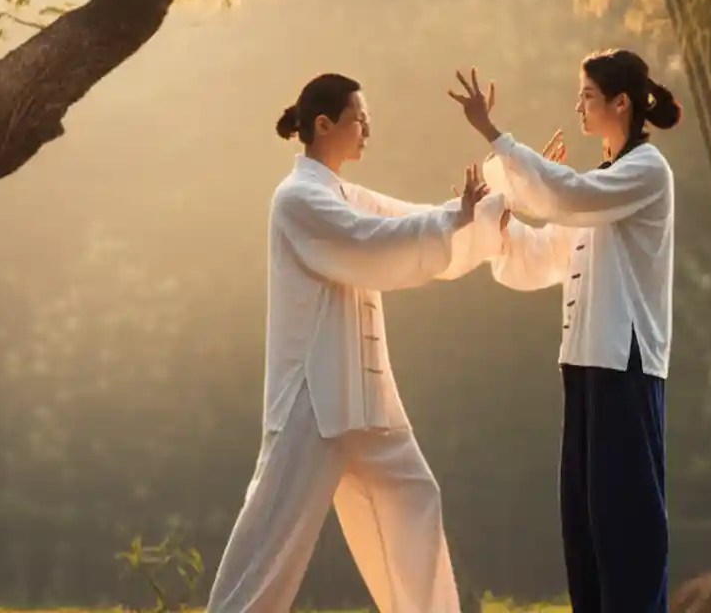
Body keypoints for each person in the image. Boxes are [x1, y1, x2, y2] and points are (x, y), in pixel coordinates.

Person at [207, 73, 501, 613]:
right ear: (324, 125)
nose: (368, 130)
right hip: (312, 402)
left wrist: (496, 198)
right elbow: (369, 240)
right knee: (272, 541)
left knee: (414, 499)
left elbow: (407, 217)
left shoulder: (344, 192)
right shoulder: (298, 198)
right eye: (360, 119)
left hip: (367, 398)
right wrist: (454, 216)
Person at [448, 50, 681, 612]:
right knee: (586, 526)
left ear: (620, 103)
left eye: (588, 96)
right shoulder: (599, 184)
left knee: (626, 525)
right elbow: (544, 255)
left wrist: (495, 135)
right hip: (582, 365)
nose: (578, 105)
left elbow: (569, 196)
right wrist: (505, 224)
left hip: (623, 365)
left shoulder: (645, 172)